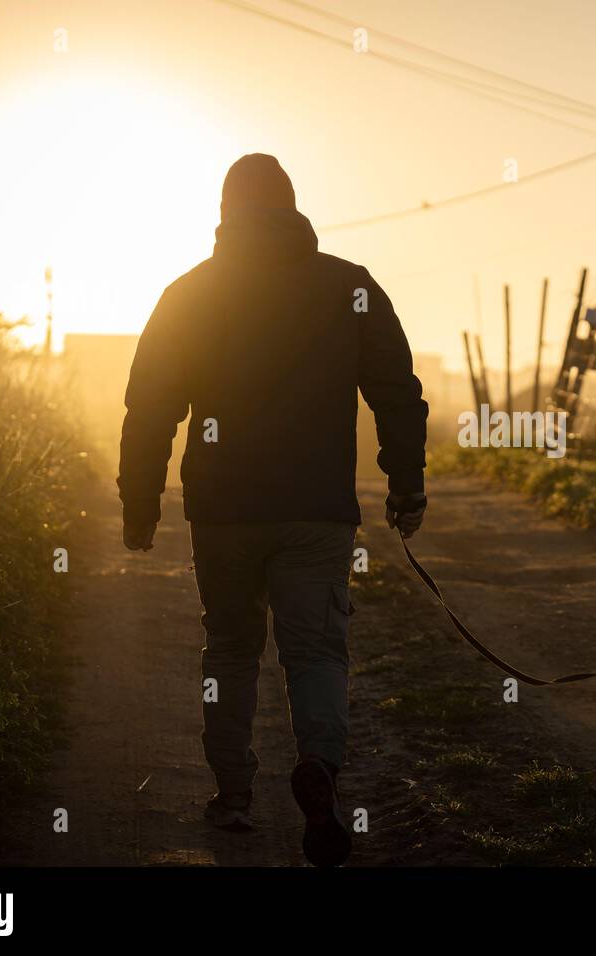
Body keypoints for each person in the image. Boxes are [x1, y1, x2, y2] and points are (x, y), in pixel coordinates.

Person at [117, 153, 428, 867]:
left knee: (230, 649)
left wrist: (141, 502)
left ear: (225, 214)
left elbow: (150, 407)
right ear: (292, 209)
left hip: (224, 510)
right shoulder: (349, 288)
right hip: (317, 510)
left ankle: (232, 799)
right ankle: (319, 762)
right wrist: (405, 483)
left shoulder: (189, 293)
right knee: (316, 650)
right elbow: (396, 391)